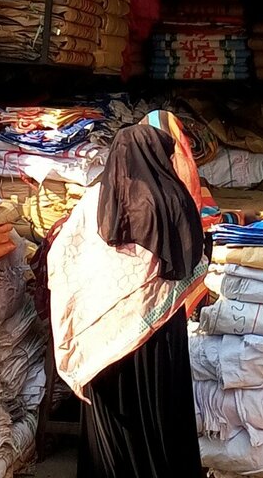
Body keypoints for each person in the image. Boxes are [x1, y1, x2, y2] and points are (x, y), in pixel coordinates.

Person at [47, 123, 206, 478]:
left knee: (111, 431)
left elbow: (61, 261)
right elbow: (193, 257)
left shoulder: (93, 203)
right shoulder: (173, 197)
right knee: (162, 418)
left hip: (102, 340)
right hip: (160, 335)